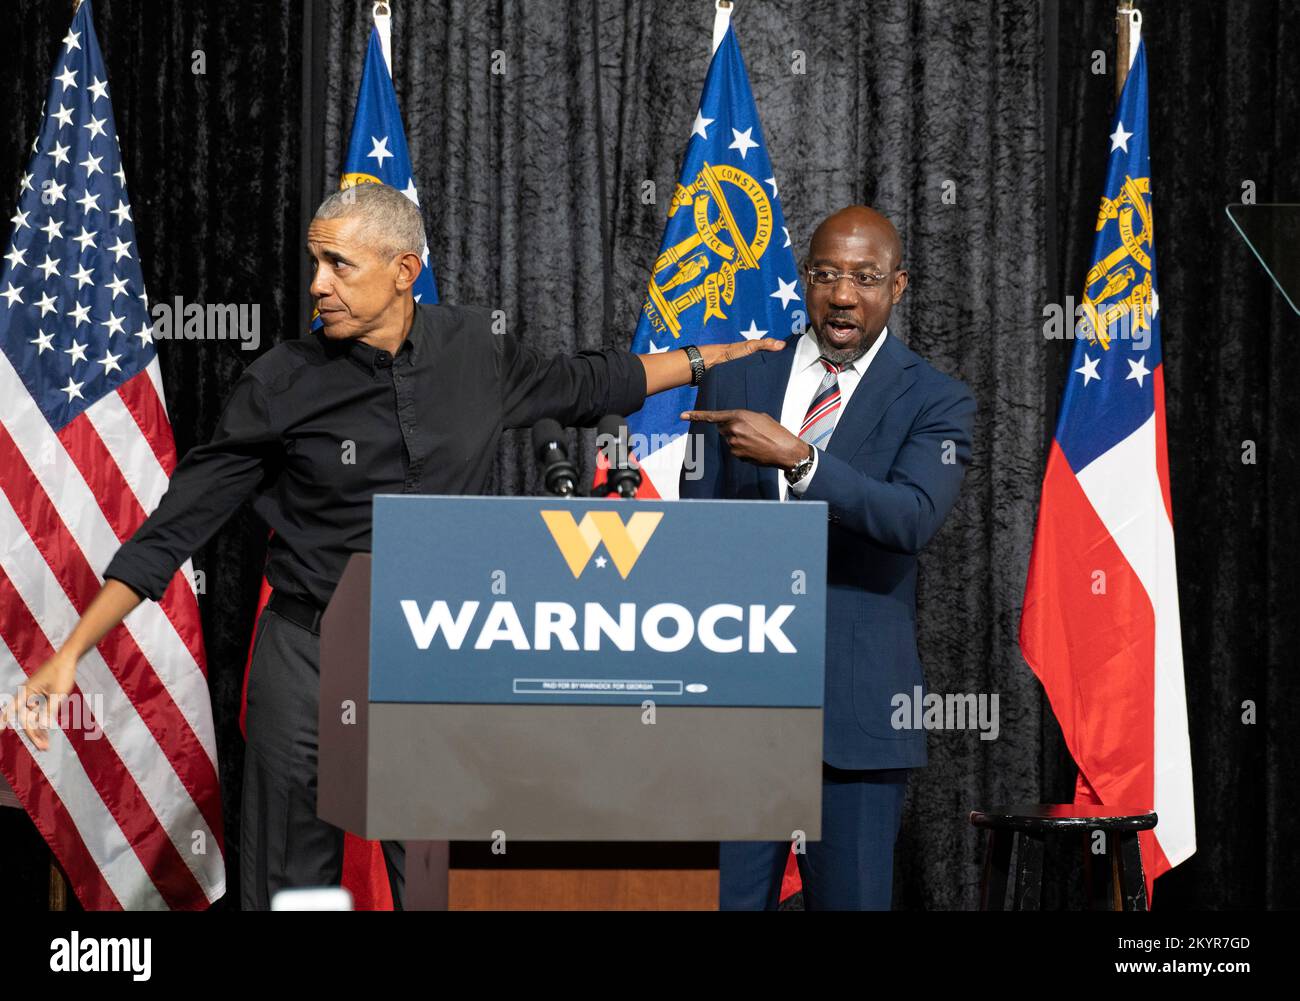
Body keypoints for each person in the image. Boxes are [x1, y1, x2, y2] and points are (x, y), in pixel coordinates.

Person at [4, 181, 782, 909]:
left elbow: (593, 384)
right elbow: (175, 526)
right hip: (307, 655)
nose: (317, 283)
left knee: (437, 878)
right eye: (315, 261)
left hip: (434, 651)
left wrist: (713, 359)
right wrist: (70, 651)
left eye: (338, 263)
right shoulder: (281, 381)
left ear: (404, 270)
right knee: (292, 880)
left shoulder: (476, 350)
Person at [680, 205, 976, 910]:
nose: (843, 295)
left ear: (898, 287)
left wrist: (800, 457)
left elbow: (909, 517)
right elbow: (699, 538)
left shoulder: (937, 399)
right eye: (827, 275)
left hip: (857, 720)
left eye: (866, 278)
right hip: (736, 714)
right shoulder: (737, 381)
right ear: (805, 280)